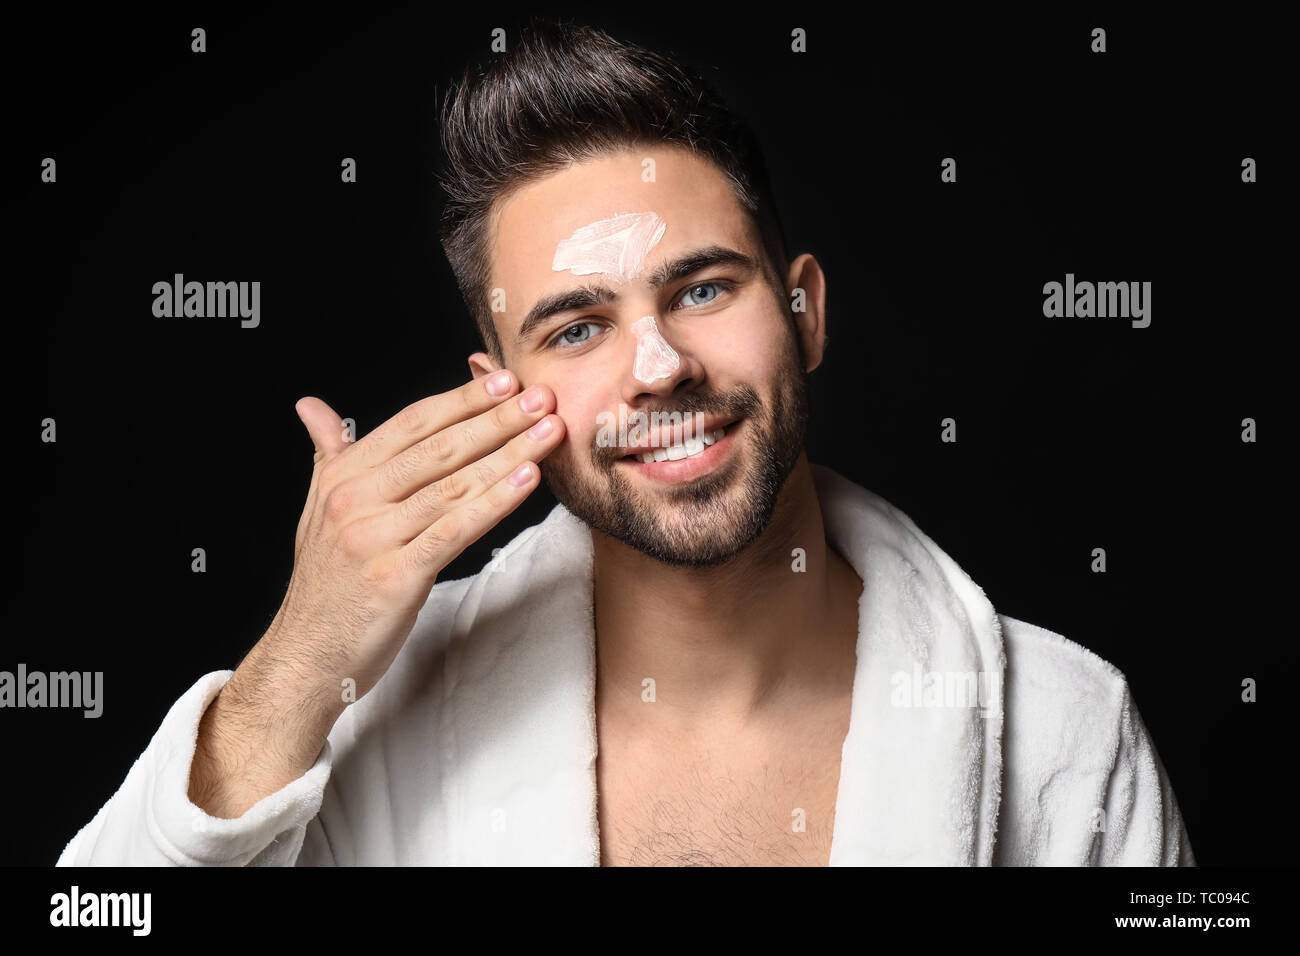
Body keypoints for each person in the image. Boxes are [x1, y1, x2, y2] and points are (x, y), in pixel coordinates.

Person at [56, 21, 1193, 866]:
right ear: (502, 389)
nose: (658, 367)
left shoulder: (1066, 724)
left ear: (805, 310)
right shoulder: (367, 720)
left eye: (700, 287)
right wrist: (298, 662)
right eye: (579, 325)